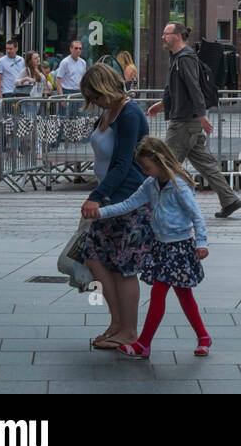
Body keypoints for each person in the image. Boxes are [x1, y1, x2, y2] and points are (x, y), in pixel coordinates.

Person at [87, 136, 211, 359]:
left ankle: (143, 343)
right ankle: (203, 336)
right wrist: (101, 213)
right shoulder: (150, 184)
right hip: (162, 246)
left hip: (179, 247)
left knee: (158, 293)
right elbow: (128, 204)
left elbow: (197, 216)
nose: (144, 171)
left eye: (146, 166)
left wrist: (201, 242)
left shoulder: (179, 185)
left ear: (160, 161)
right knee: (184, 295)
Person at [78, 63, 153, 351]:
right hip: (110, 197)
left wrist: (97, 195)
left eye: (95, 96)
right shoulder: (108, 110)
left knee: (124, 266)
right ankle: (117, 323)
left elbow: (123, 163)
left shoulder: (130, 113)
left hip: (127, 198)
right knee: (94, 256)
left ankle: (129, 331)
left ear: (106, 88)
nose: (93, 102)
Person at [146, 23, 241, 220]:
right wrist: (162, 105)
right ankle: (230, 199)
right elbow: (174, 89)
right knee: (205, 163)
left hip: (184, 123)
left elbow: (194, 88)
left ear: (178, 36)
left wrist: (202, 115)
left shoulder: (186, 59)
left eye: (166, 34)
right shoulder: (177, 58)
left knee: (167, 164)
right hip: (188, 120)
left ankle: (156, 205)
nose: (163, 37)